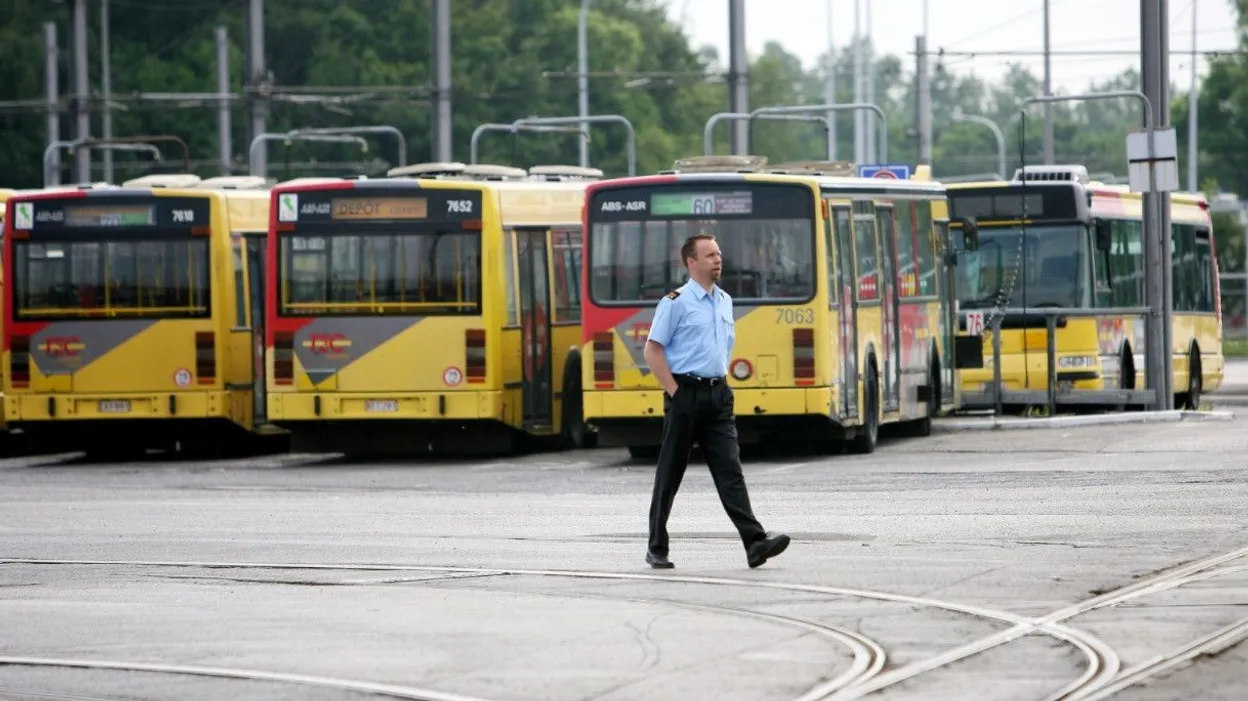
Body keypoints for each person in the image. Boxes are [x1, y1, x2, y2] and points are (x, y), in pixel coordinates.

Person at [642, 233, 790, 569]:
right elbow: (652, 349)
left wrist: (719, 384)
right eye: (709, 255)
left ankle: (755, 543)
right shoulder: (675, 302)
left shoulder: (724, 300)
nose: (717, 260)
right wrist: (675, 393)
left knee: (730, 471)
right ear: (691, 262)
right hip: (685, 394)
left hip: (718, 395)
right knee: (670, 473)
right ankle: (657, 547)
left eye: (719, 254)